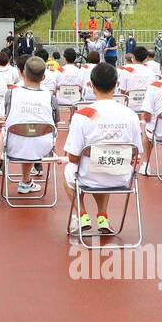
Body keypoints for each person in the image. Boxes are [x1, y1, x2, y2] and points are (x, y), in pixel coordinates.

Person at [63, 62, 142, 234]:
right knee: (103, 165)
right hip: (121, 177)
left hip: (89, 176)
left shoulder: (82, 115)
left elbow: (73, 158)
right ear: (117, 85)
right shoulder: (130, 115)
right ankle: (102, 216)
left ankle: (82, 214)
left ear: (91, 85)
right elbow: (137, 155)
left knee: (69, 171)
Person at [2, 56, 55, 197]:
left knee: (10, 130)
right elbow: (55, 123)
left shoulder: (11, 94)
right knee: (31, 133)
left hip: (14, 144)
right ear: (43, 77)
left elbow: (5, 117)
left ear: (23, 73)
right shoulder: (50, 97)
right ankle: (25, 181)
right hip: (43, 147)